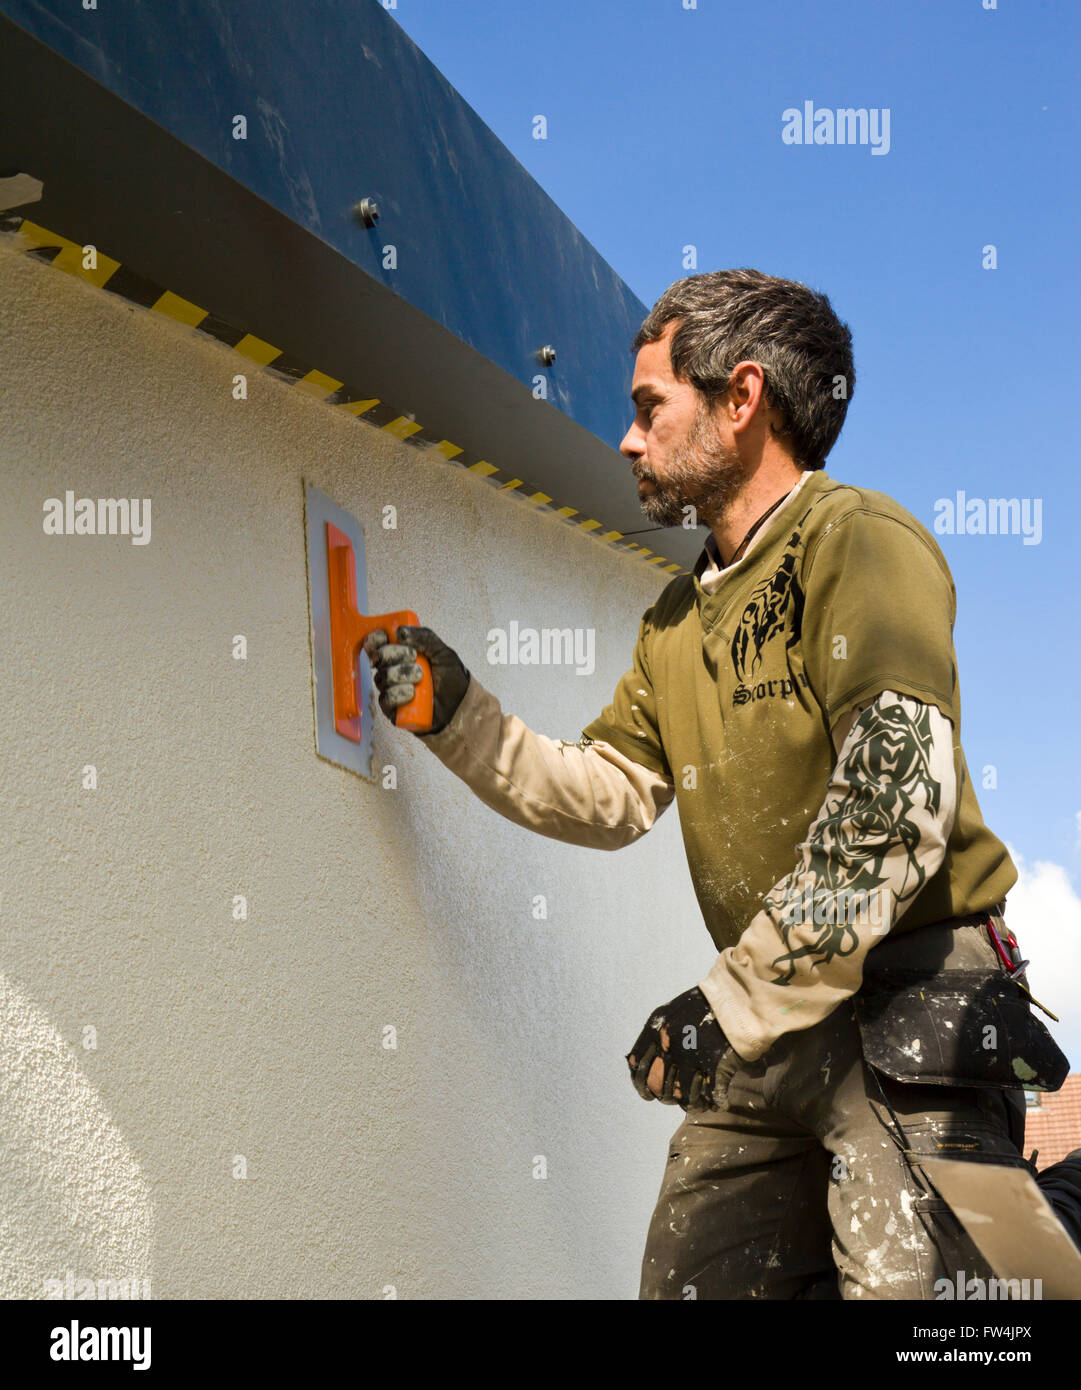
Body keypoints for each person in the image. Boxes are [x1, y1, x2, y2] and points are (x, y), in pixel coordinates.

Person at [364, 268, 1074, 1299]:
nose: (626, 439)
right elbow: (606, 792)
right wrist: (459, 714)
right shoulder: (674, 620)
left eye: (650, 406)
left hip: (912, 998)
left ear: (740, 401)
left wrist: (723, 1003)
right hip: (772, 1024)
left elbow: (892, 810)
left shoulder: (857, 542)